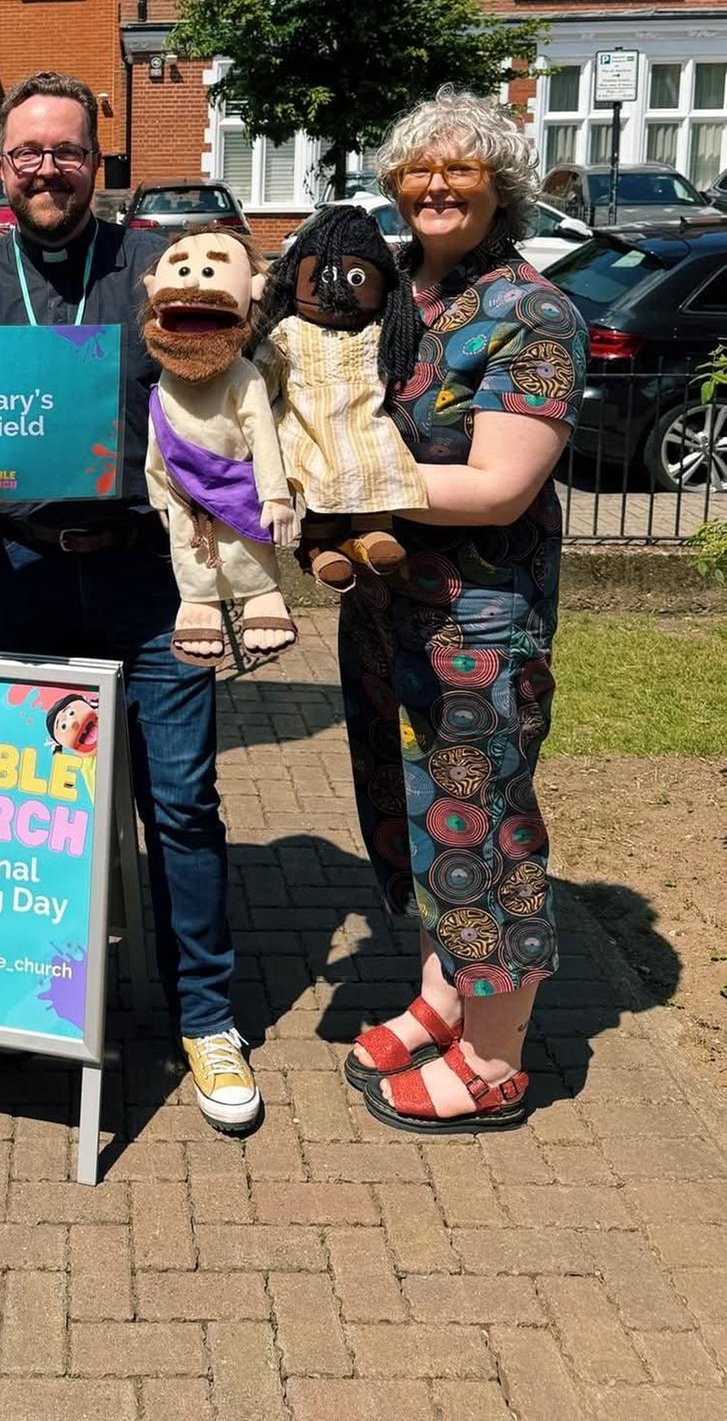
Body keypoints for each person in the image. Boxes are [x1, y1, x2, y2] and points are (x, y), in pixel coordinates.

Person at [0, 71, 260, 1133]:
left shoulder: (153, 273)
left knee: (182, 803)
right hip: (21, 573)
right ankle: (35, 999)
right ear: (2, 166)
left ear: (97, 168)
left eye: (64, 151)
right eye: (26, 151)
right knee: (40, 806)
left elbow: (221, 392)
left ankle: (206, 1017)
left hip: (151, 580)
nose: (45, 168)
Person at [337, 88, 586, 1135]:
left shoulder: (535, 313)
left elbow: (495, 487)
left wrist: (344, 481)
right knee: (407, 815)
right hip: (382, 609)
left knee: (480, 827)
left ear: (500, 185)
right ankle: (443, 994)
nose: (433, 185)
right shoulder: (390, 290)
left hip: (478, 625)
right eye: (416, 169)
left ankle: (494, 1058)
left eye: (460, 169)